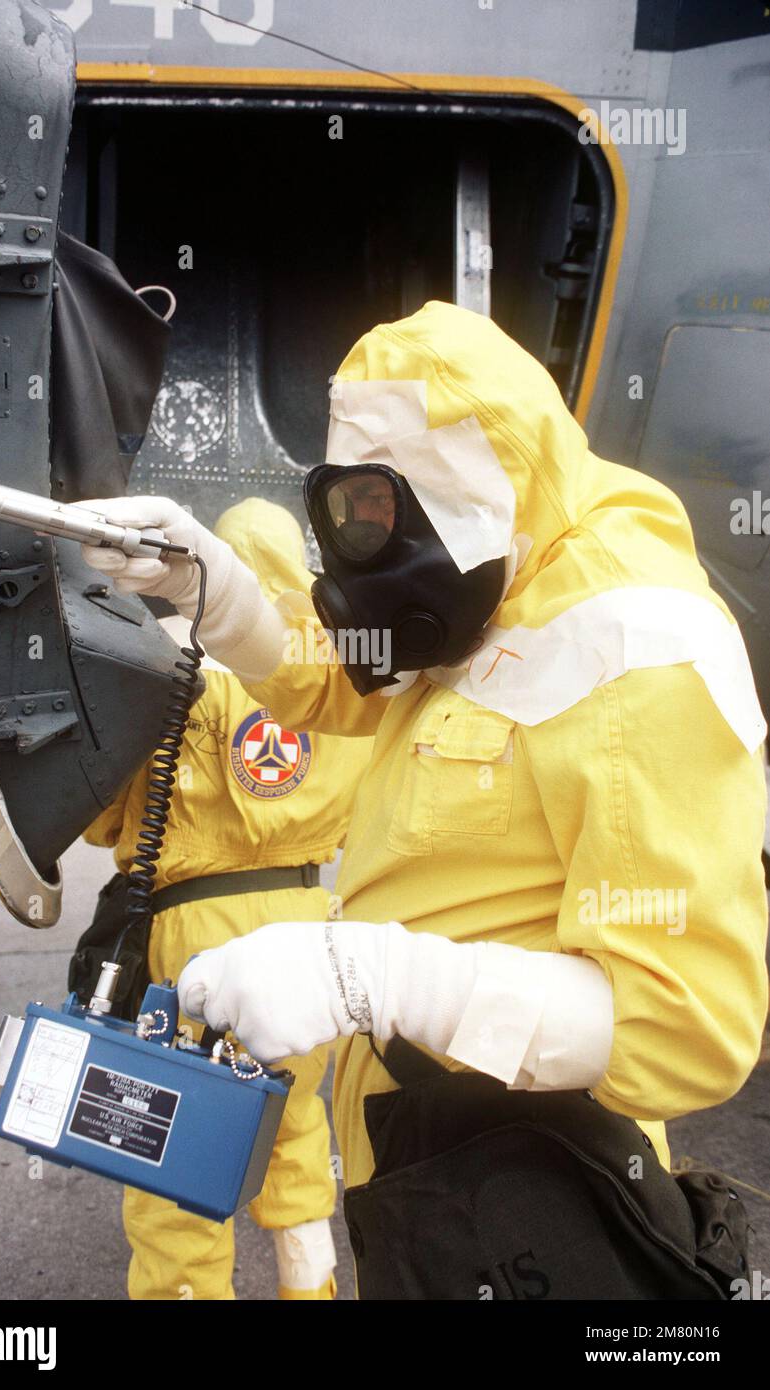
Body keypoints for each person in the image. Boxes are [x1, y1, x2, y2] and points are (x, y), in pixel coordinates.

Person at [80, 302, 768, 1298]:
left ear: (473, 492)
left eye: (386, 512)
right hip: (433, 1171)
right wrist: (211, 587)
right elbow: (337, 679)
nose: (366, 549)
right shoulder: (485, 592)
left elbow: (687, 1026)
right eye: (351, 514)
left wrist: (371, 977)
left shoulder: (631, 642)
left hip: (536, 1191)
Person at [83, 497, 373, 1301]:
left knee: (174, 1142)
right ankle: (309, 1290)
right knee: (291, 1122)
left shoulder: (167, 678)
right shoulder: (330, 682)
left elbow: (103, 815)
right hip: (308, 931)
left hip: (193, 933)